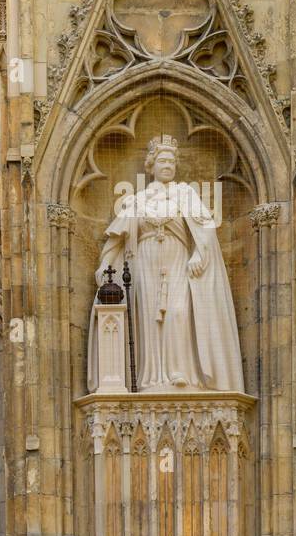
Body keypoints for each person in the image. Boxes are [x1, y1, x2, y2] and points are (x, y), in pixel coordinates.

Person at [87, 135, 244, 393]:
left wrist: (199, 255)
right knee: (149, 317)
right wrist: (105, 267)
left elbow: (205, 228)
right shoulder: (137, 200)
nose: (168, 165)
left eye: (171, 160)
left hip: (178, 259)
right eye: (162, 160)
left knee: (179, 312)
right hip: (143, 262)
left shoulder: (185, 194)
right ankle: (151, 377)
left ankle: (180, 371)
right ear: (152, 165)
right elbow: (117, 237)